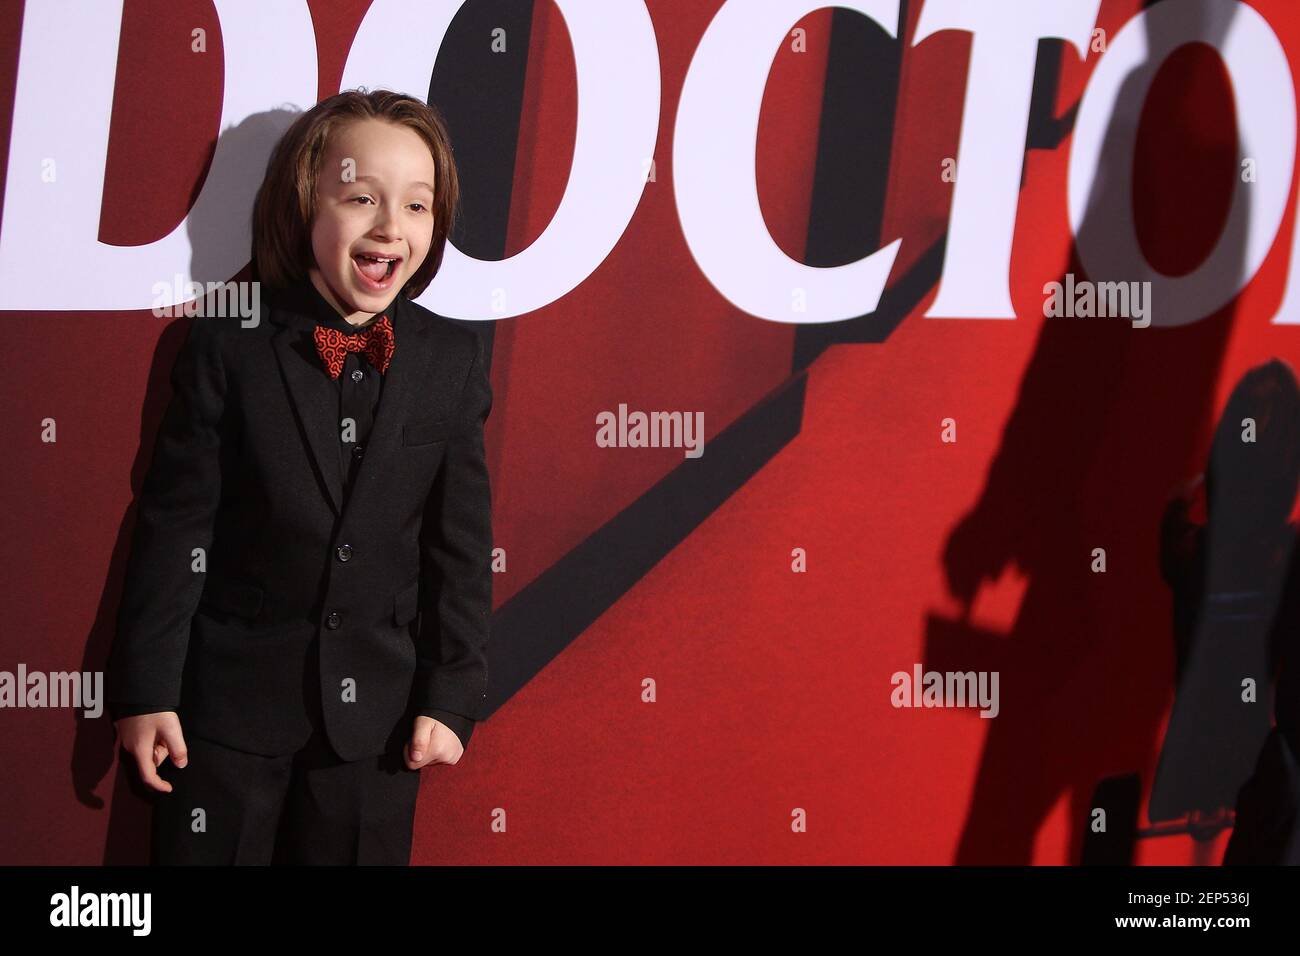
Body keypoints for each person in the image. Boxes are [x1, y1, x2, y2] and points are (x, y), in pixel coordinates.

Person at [104, 88, 493, 865]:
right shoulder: (228, 343)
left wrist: (452, 696)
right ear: (303, 206)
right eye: (360, 198)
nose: (390, 226)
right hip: (227, 717)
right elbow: (177, 524)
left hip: (378, 731)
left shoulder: (452, 361)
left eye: (417, 206)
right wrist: (147, 689)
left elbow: (459, 545)